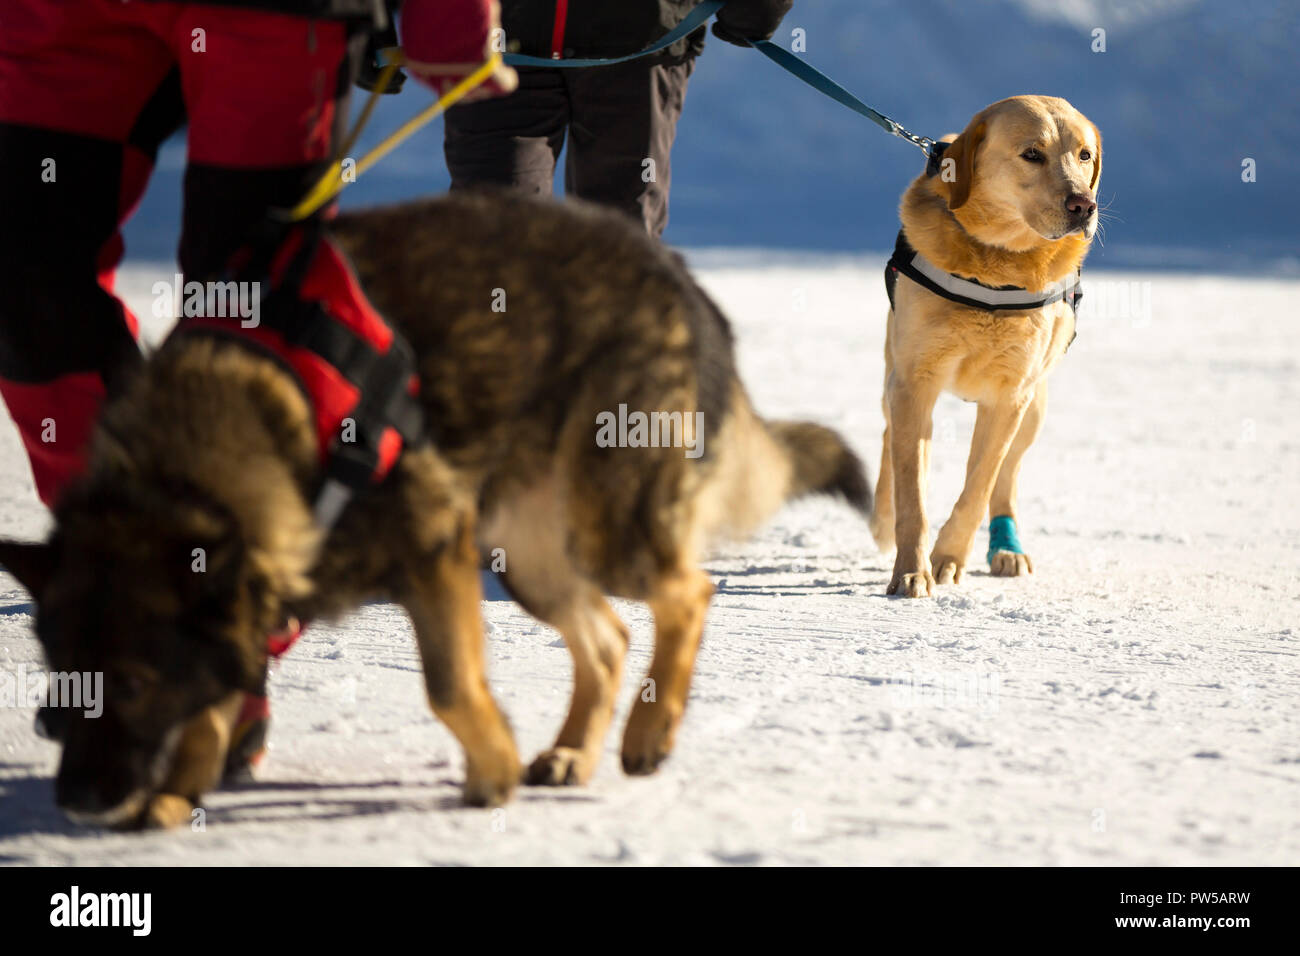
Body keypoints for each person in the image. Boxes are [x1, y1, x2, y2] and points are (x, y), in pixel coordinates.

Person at [0, 0, 516, 773]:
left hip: (267, 14)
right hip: (60, 15)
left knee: (248, 307)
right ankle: (112, 607)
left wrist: (449, 15)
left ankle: (211, 632)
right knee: (20, 274)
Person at [441, 0, 794, 238]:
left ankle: (618, 348)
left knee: (621, 242)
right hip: (496, 37)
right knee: (492, 231)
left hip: (642, 40)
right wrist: (383, 24)